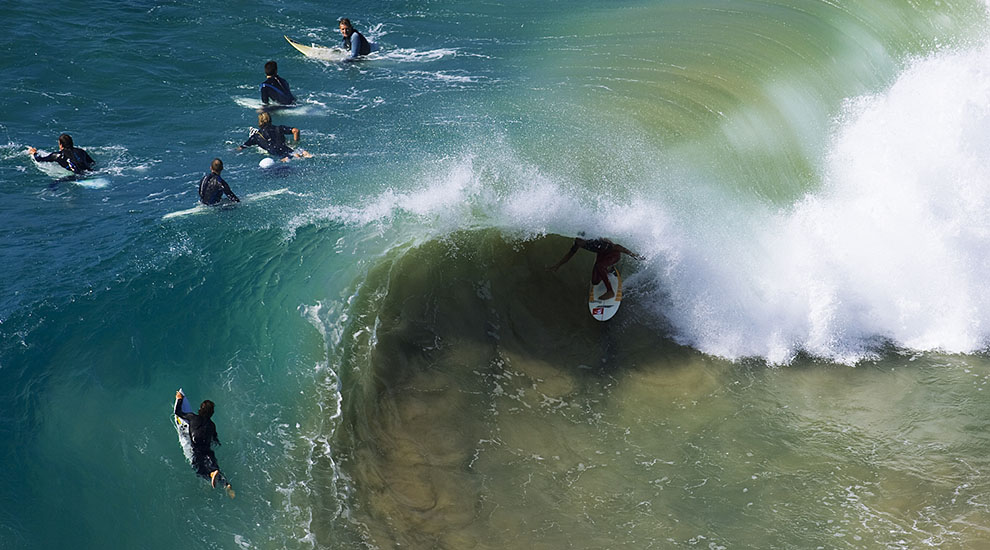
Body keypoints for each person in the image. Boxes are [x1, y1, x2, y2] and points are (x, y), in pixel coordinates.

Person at [174, 390, 235, 498]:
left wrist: (179, 399)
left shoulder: (193, 417)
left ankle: (211, 474)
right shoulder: (212, 425)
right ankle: (226, 485)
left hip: (197, 450)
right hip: (207, 450)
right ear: (211, 413)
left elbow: (178, 412)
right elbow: (214, 438)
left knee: (200, 470)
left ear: (200, 409)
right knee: (215, 467)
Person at [547, 236, 644, 301]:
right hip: (602, 255)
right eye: (578, 240)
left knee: (600, 266)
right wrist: (557, 265)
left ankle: (610, 291)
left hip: (613, 255)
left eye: (580, 240)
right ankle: (607, 270)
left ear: (585, 239)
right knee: (595, 281)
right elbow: (569, 255)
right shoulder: (578, 243)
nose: (578, 242)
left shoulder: (596, 241)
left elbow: (617, 247)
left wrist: (634, 255)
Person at [237, 112, 312, 162]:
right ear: (270, 119)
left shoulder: (256, 137)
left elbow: (242, 147)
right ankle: (302, 153)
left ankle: (292, 157)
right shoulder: (279, 128)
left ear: (260, 121)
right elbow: (296, 131)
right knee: (293, 152)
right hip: (285, 148)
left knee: (285, 159)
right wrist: (296, 143)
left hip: (276, 152)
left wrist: (234, 150)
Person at [27, 133, 95, 174]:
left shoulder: (56, 156)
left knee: (55, 183)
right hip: (90, 172)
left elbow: (39, 159)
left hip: (77, 175)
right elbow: (92, 162)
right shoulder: (81, 151)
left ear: (61, 145)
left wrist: (34, 153)